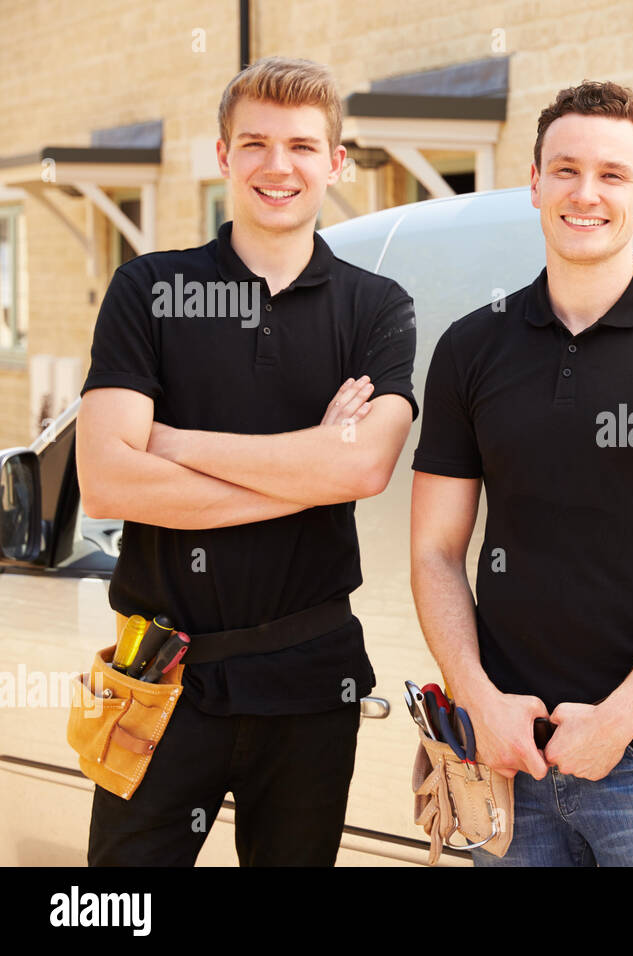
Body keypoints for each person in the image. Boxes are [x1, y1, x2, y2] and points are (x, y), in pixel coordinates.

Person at [409, 80, 633, 866]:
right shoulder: (473, 348)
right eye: (566, 169)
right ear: (534, 183)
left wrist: (618, 718)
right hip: (507, 755)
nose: (587, 193)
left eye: (613, 175)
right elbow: (434, 550)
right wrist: (478, 701)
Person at [76, 56, 418, 866]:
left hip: (312, 679)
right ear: (224, 156)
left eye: (302, 146)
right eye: (256, 142)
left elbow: (362, 470)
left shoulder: (378, 306)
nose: (278, 166)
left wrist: (171, 444)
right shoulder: (148, 290)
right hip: (155, 675)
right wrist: (307, 468)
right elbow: (107, 480)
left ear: (336, 163)